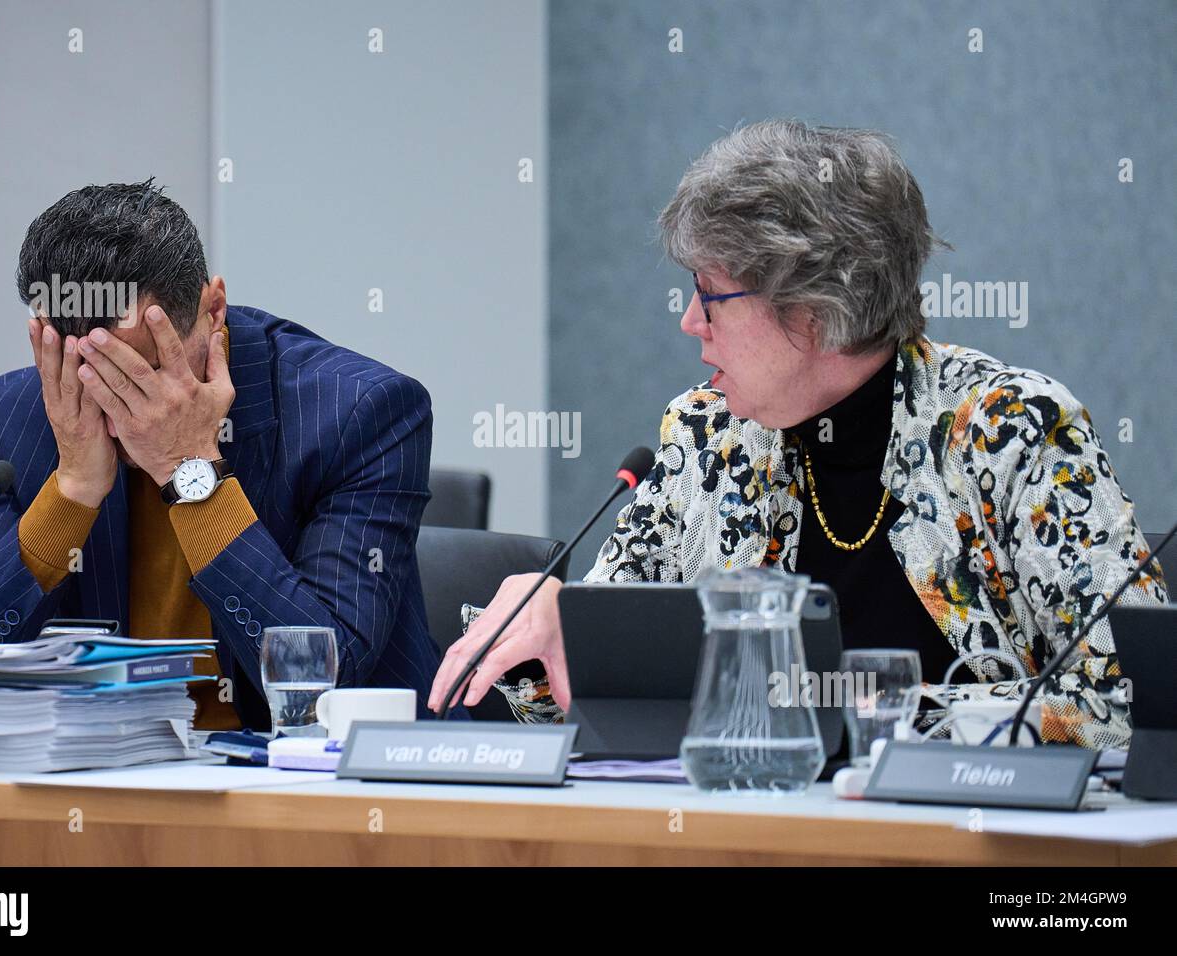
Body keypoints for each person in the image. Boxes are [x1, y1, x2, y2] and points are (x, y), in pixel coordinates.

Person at [430, 120, 1167, 749]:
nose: (689, 323)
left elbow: (1133, 706)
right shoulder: (706, 437)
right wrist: (549, 639)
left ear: (815, 311)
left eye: (710, 297)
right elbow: (606, 713)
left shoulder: (1014, 434)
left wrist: (883, 722)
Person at [0, 180, 444, 729]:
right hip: (109, 776)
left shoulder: (358, 411)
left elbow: (321, 687)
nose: (116, 406)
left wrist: (188, 470)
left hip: (322, 784)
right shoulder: (22, 412)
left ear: (212, 309)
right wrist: (71, 489)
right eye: (86, 371)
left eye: (139, 372)